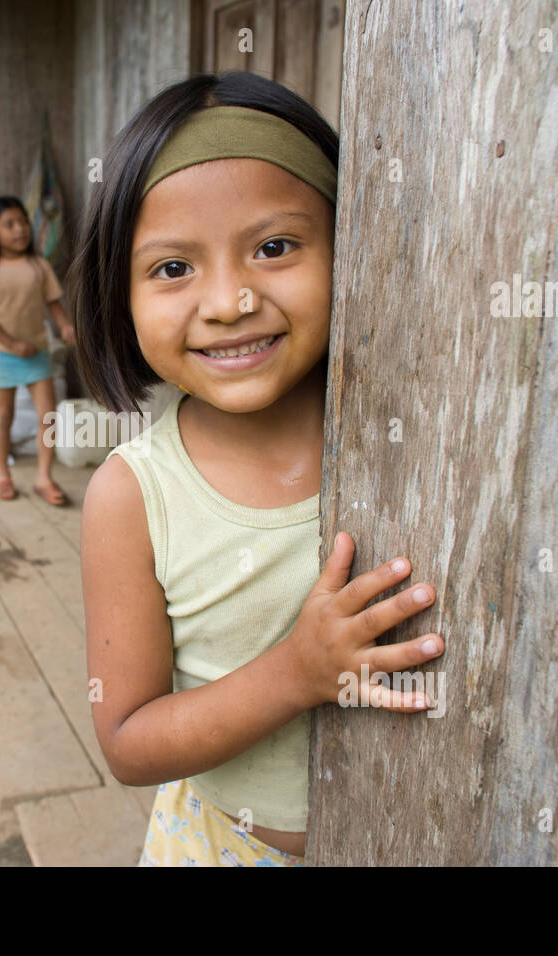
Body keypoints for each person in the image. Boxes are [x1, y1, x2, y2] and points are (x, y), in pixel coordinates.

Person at [72, 71, 447, 866]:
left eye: (274, 248)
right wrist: (298, 673)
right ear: (120, 292)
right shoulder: (134, 495)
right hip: (223, 847)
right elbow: (129, 741)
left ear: (349, 247)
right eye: (173, 268)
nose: (230, 300)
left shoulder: (420, 431)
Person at [0, 196, 77, 505]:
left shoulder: (37, 266)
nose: (20, 229)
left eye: (23, 222)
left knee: (48, 417)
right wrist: (12, 344)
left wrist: (65, 326)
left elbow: (53, 303)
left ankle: (44, 477)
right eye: (9, 224)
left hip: (37, 350)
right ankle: (3, 475)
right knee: (4, 415)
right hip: (2, 354)